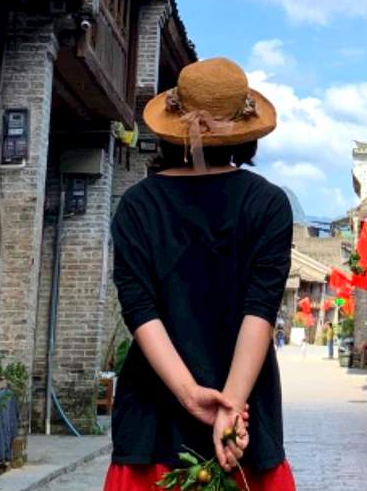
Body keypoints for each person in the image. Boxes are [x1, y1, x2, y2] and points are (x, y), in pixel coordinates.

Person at [105, 57, 296, 491]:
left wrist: (191, 395)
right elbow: (260, 310)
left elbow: (140, 311)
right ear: (244, 133)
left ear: (172, 127)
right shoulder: (269, 204)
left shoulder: (136, 206)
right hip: (247, 419)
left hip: (153, 416)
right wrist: (232, 406)